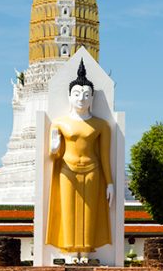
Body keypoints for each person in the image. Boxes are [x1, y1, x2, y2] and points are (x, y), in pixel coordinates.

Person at [46, 59, 113, 254]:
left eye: (86, 95)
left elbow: (105, 156)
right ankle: (68, 251)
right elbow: (55, 154)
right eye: (76, 94)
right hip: (67, 170)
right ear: (69, 96)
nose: (81, 99)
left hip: (93, 169)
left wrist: (110, 182)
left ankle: (85, 251)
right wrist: (54, 146)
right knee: (68, 210)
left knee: (90, 212)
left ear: (92, 98)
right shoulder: (59, 123)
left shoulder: (101, 125)